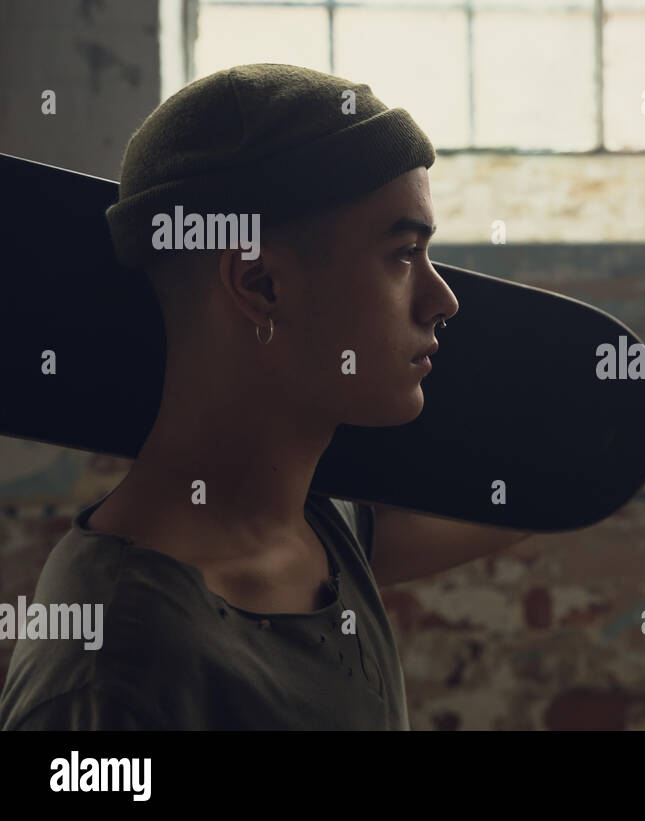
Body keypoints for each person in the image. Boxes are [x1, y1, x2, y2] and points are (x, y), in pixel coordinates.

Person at [0, 63, 526, 730]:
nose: (441, 298)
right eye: (402, 253)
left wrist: (608, 431)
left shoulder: (314, 529)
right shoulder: (111, 675)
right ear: (261, 285)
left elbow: (521, 504)